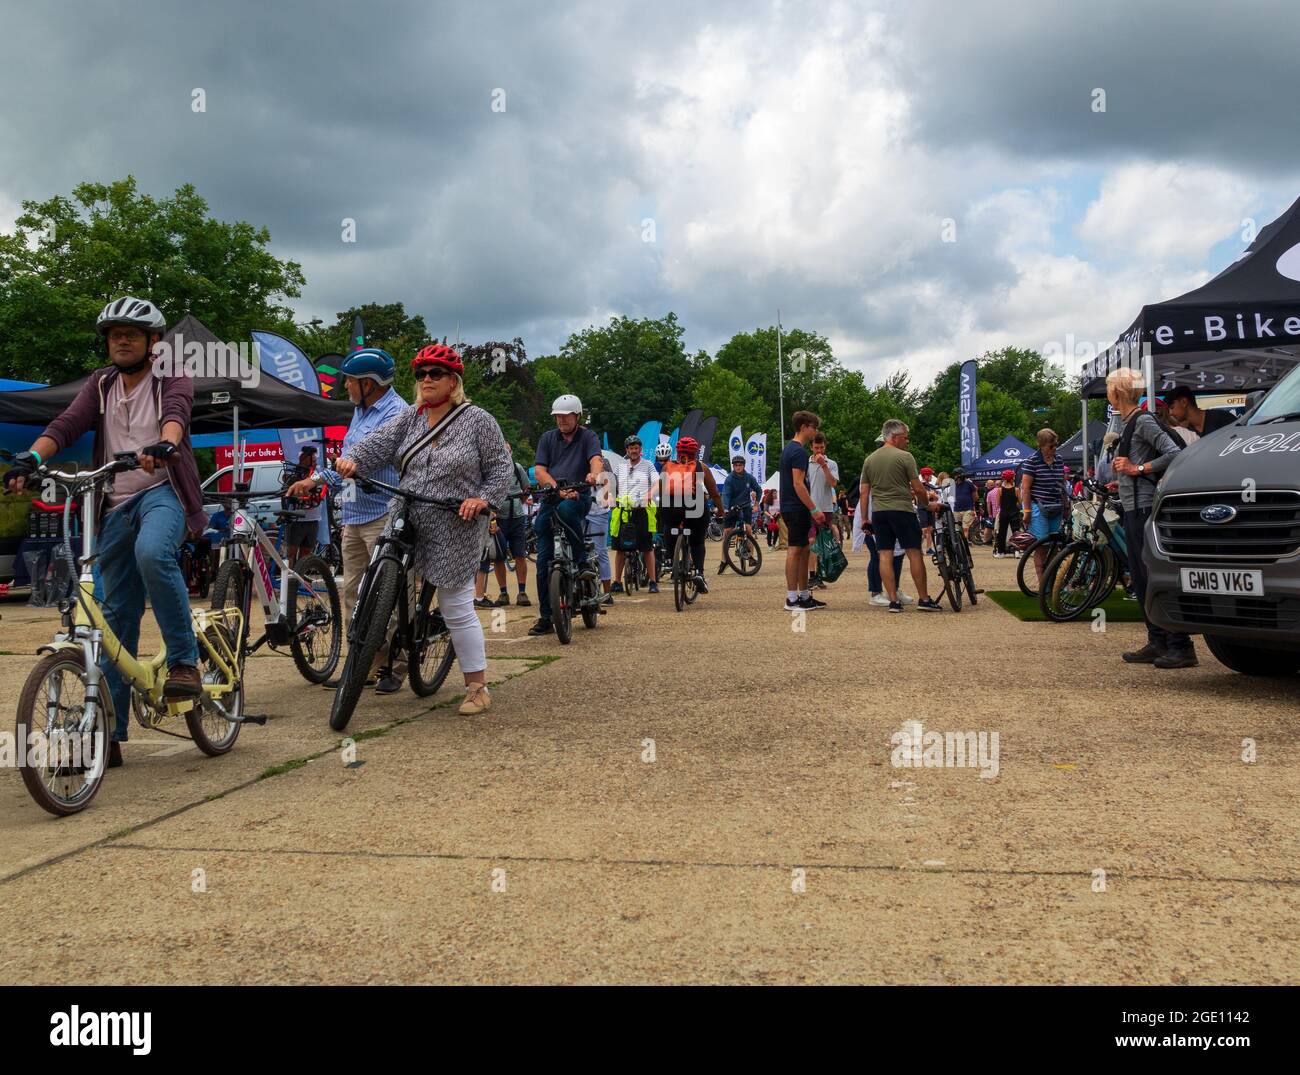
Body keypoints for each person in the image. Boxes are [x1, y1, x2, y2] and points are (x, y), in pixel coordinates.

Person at [3, 297, 206, 769]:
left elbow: (177, 413)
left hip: (163, 493)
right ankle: (107, 735)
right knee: (113, 619)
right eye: (114, 333)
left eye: (131, 333)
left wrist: (166, 444)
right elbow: (67, 423)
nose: (121, 339)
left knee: (154, 555)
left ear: (153, 341)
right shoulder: (101, 383)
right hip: (115, 504)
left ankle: (184, 662)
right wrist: (30, 458)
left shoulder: (171, 378)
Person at [334, 343, 512, 714]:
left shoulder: (477, 420)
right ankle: (372, 646)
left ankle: (477, 687)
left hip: (455, 522)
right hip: (407, 512)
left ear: (453, 381)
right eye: (421, 375)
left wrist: (482, 500)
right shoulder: (410, 417)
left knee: (454, 604)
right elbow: (378, 444)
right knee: (374, 578)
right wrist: (353, 460)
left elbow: (500, 468)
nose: (426, 380)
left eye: (436, 374)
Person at [287, 348, 407, 692]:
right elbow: (348, 459)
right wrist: (322, 478)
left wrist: (318, 479)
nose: (345, 387)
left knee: (389, 592)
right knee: (354, 593)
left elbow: (363, 458)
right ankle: (363, 664)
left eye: (350, 381)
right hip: (355, 516)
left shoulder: (396, 413)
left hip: (384, 513)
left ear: (369, 383)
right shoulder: (360, 411)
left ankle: (393, 667)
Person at [1108, 368, 1196, 669]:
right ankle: (1158, 640)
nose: (1108, 392)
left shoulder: (1142, 421)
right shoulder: (1132, 422)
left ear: (1117, 393)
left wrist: (1138, 469)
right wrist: (1124, 477)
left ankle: (1180, 645)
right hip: (1134, 505)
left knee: (1151, 574)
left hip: (1144, 507)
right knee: (1142, 576)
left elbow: (1174, 453)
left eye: (1109, 387)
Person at [528, 394, 604, 637]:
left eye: (565, 415)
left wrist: (592, 475)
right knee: (543, 555)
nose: (561, 420)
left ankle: (582, 561)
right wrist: (555, 488)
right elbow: (539, 470)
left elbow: (596, 460)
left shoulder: (588, 436)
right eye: (558, 416)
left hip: (578, 495)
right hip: (554, 495)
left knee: (568, 510)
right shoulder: (547, 438)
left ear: (577, 415)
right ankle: (546, 617)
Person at [858, 419, 941, 612]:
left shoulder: (869, 459)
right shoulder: (905, 457)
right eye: (905, 437)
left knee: (884, 555)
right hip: (902, 510)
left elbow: (864, 492)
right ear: (894, 437)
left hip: (879, 512)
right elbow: (918, 488)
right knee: (914, 553)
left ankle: (893, 601)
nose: (907, 441)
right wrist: (927, 505)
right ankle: (924, 599)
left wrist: (864, 518)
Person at [654, 436, 723, 593]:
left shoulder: (667, 467)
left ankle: (669, 559)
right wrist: (720, 510)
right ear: (696, 452)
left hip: (671, 506)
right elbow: (714, 493)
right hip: (694, 505)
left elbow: (660, 489)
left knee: (669, 526)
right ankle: (699, 572)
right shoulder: (702, 467)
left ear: (677, 452)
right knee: (697, 542)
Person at [776, 412, 827, 611]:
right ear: (805, 426)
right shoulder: (797, 452)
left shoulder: (789, 449)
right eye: (814, 427)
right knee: (795, 550)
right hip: (796, 508)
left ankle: (804, 595)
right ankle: (791, 598)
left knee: (804, 550)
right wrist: (813, 508)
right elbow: (798, 484)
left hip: (793, 507)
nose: (816, 431)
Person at [1019, 429, 1069, 587]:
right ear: (1041, 446)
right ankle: (1044, 585)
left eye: (1055, 446)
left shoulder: (1059, 459)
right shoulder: (1032, 461)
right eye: (1050, 446)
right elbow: (1025, 489)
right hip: (1038, 507)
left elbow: (1062, 484)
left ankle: (1053, 582)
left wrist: (1066, 503)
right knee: (1041, 546)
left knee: (1054, 545)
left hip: (1056, 506)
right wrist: (1026, 511)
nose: (1054, 449)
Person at [610, 435, 659, 595]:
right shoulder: (620, 467)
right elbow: (612, 483)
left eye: (636, 448)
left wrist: (650, 494)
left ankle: (653, 581)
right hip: (624, 510)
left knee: (647, 547)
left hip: (642, 510)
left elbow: (658, 482)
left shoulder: (648, 465)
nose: (634, 451)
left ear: (640, 450)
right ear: (627, 450)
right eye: (631, 448)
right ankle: (617, 581)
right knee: (619, 548)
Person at [805, 431, 840, 590]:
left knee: (822, 542)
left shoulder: (831, 463)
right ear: (811, 447)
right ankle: (812, 576)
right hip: (810, 507)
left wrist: (824, 465)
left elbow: (833, 483)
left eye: (821, 447)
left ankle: (819, 574)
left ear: (825, 447)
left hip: (825, 508)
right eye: (816, 447)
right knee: (811, 541)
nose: (819, 451)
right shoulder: (805, 464)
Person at [718, 454, 763, 574]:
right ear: (733, 466)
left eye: (740, 465)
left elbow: (759, 490)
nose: (738, 467)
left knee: (748, 530)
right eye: (736, 465)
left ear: (743, 466)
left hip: (746, 506)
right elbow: (726, 494)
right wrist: (726, 508)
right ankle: (724, 560)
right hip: (732, 508)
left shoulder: (749, 477)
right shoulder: (730, 479)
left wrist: (756, 504)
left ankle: (751, 557)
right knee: (727, 533)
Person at [283, 445, 323, 565]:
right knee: (291, 553)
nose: (315, 464)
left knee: (305, 556)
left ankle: (300, 580)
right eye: (313, 461)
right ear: (304, 460)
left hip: (313, 520)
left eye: (316, 461)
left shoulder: (317, 476)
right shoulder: (294, 477)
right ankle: (289, 579)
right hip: (297, 521)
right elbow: (286, 496)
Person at [1165, 386, 1237, 438]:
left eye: (1172, 407)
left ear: (1184, 402)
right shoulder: (1188, 433)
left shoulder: (1222, 418)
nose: (1170, 413)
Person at [993, 469, 1020, 557]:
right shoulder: (1016, 490)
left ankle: (1001, 552)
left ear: (1004, 479)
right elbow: (1020, 502)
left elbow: (997, 504)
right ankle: (1017, 551)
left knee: (1002, 532)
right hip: (1014, 512)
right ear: (1012, 479)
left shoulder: (1000, 490)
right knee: (1016, 531)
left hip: (1004, 513)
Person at [950, 467, 978, 541]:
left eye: (957, 475)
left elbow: (975, 497)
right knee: (957, 529)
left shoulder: (968, 483)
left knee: (965, 527)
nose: (956, 476)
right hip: (957, 509)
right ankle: (959, 545)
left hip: (968, 509)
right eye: (955, 475)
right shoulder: (953, 485)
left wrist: (972, 506)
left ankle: (965, 544)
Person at [917, 466, 937, 554]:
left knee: (931, 529)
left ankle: (929, 548)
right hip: (922, 509)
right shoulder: (920, 485)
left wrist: (931, 495)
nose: (931, 477)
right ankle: (917, 547)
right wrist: (930, 495)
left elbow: (936, 497)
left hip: (931, 509)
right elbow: (920, 498)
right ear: (924, 475)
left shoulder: (931, 486)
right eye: (930, 475)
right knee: (924, 530)